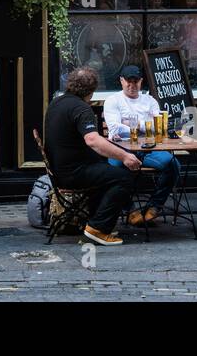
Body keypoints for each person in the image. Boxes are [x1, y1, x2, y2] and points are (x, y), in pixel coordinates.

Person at [42, 67, 141, 246]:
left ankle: (94, 223)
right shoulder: (81, 108)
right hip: (74, 173)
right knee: (123, 178)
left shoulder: (56, 103)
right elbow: (93, 140)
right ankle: (98, 228)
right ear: (91, 90)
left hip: (60, 171)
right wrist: (125, 156)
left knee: (107, 172)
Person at [101, 68, 181, 227]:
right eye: (128, 81)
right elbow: (115, 129)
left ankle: (154, 206)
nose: (132, 85)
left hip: (148, 149)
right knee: (114, 171)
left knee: (173, 164)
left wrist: (129, 124)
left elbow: (158, 128)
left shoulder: (150, 100)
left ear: (141, 81)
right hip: (121, 151)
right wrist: (145, 126)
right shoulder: (113, 100)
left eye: (135, 81)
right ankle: (130, 210)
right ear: (121, 80)